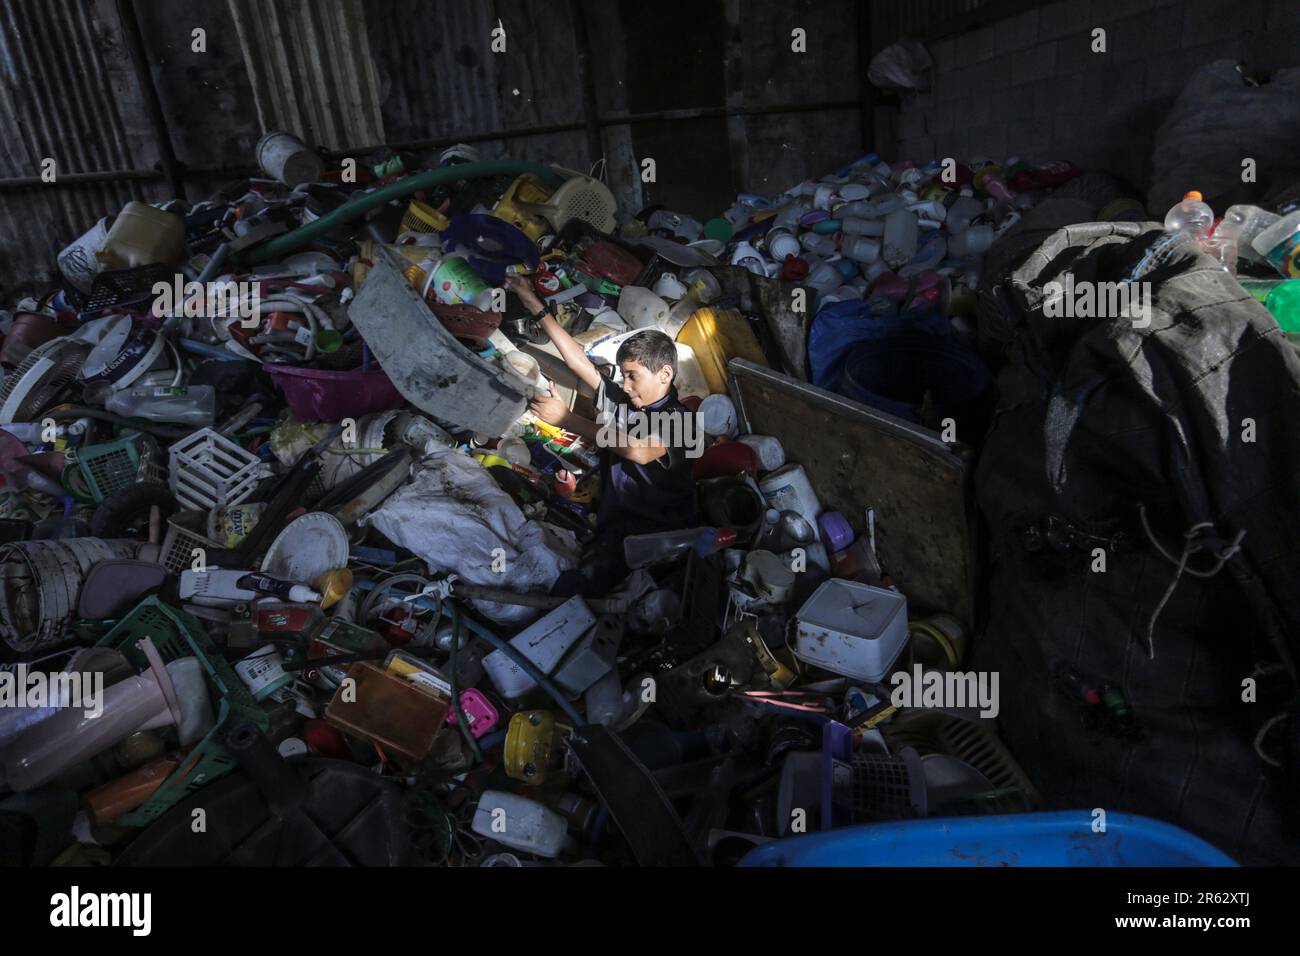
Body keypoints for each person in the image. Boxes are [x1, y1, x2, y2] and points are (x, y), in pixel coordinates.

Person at [505, 275, 699, 595]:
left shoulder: (682, 421)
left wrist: (566, 418)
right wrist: (534, 304)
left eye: (633, 376)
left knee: (575, 595)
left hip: (659, 542)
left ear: (664, 374)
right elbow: (580, 363)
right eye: (623, 376)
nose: (624, 385)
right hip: (614, 531)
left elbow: (639, 450)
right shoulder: (625, 403)